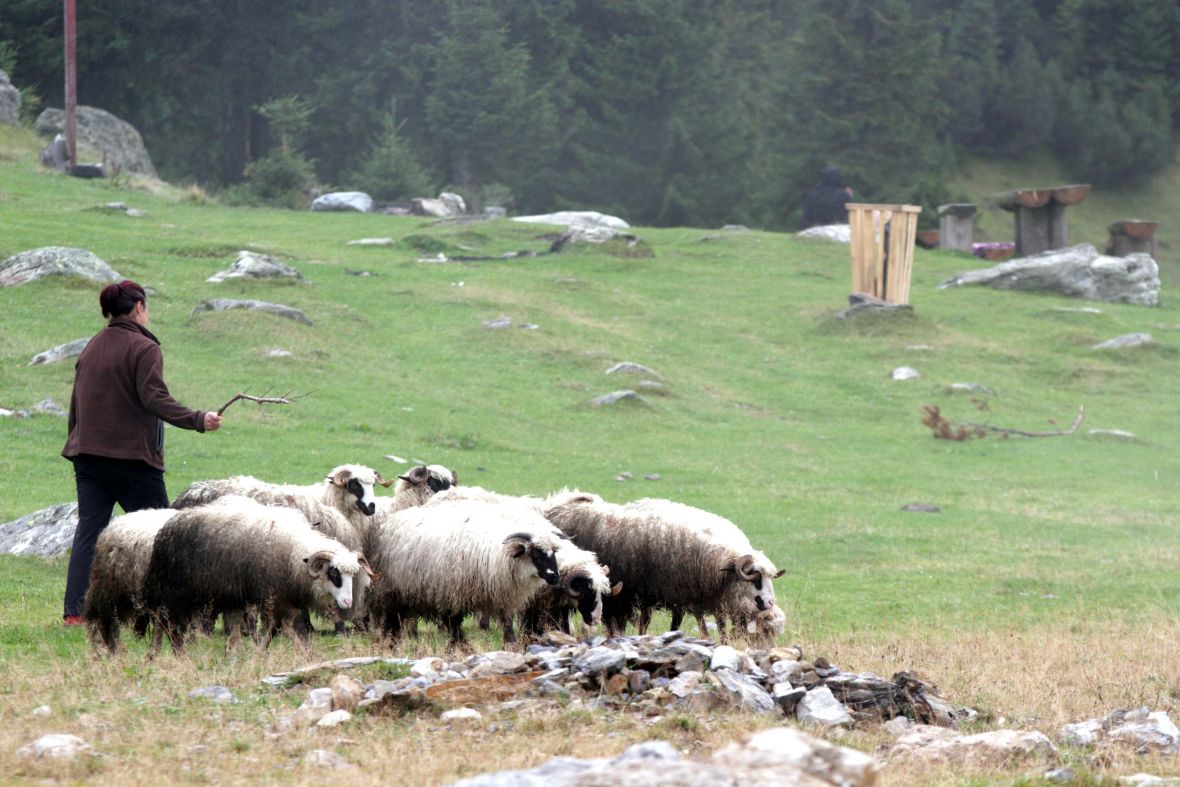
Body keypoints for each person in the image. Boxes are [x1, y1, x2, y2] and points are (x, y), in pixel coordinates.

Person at [60, 280, 223, 625]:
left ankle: (75, 612)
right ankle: (171, 612)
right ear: (138, 308)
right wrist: (198, 419)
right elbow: (154, 399)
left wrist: (77, 444)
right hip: (132, 460)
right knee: (164, 535)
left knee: (90, 530)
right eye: (147, 307)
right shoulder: (144, 348)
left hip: (87, 456)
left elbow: (77, 402)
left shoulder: (91, 346)